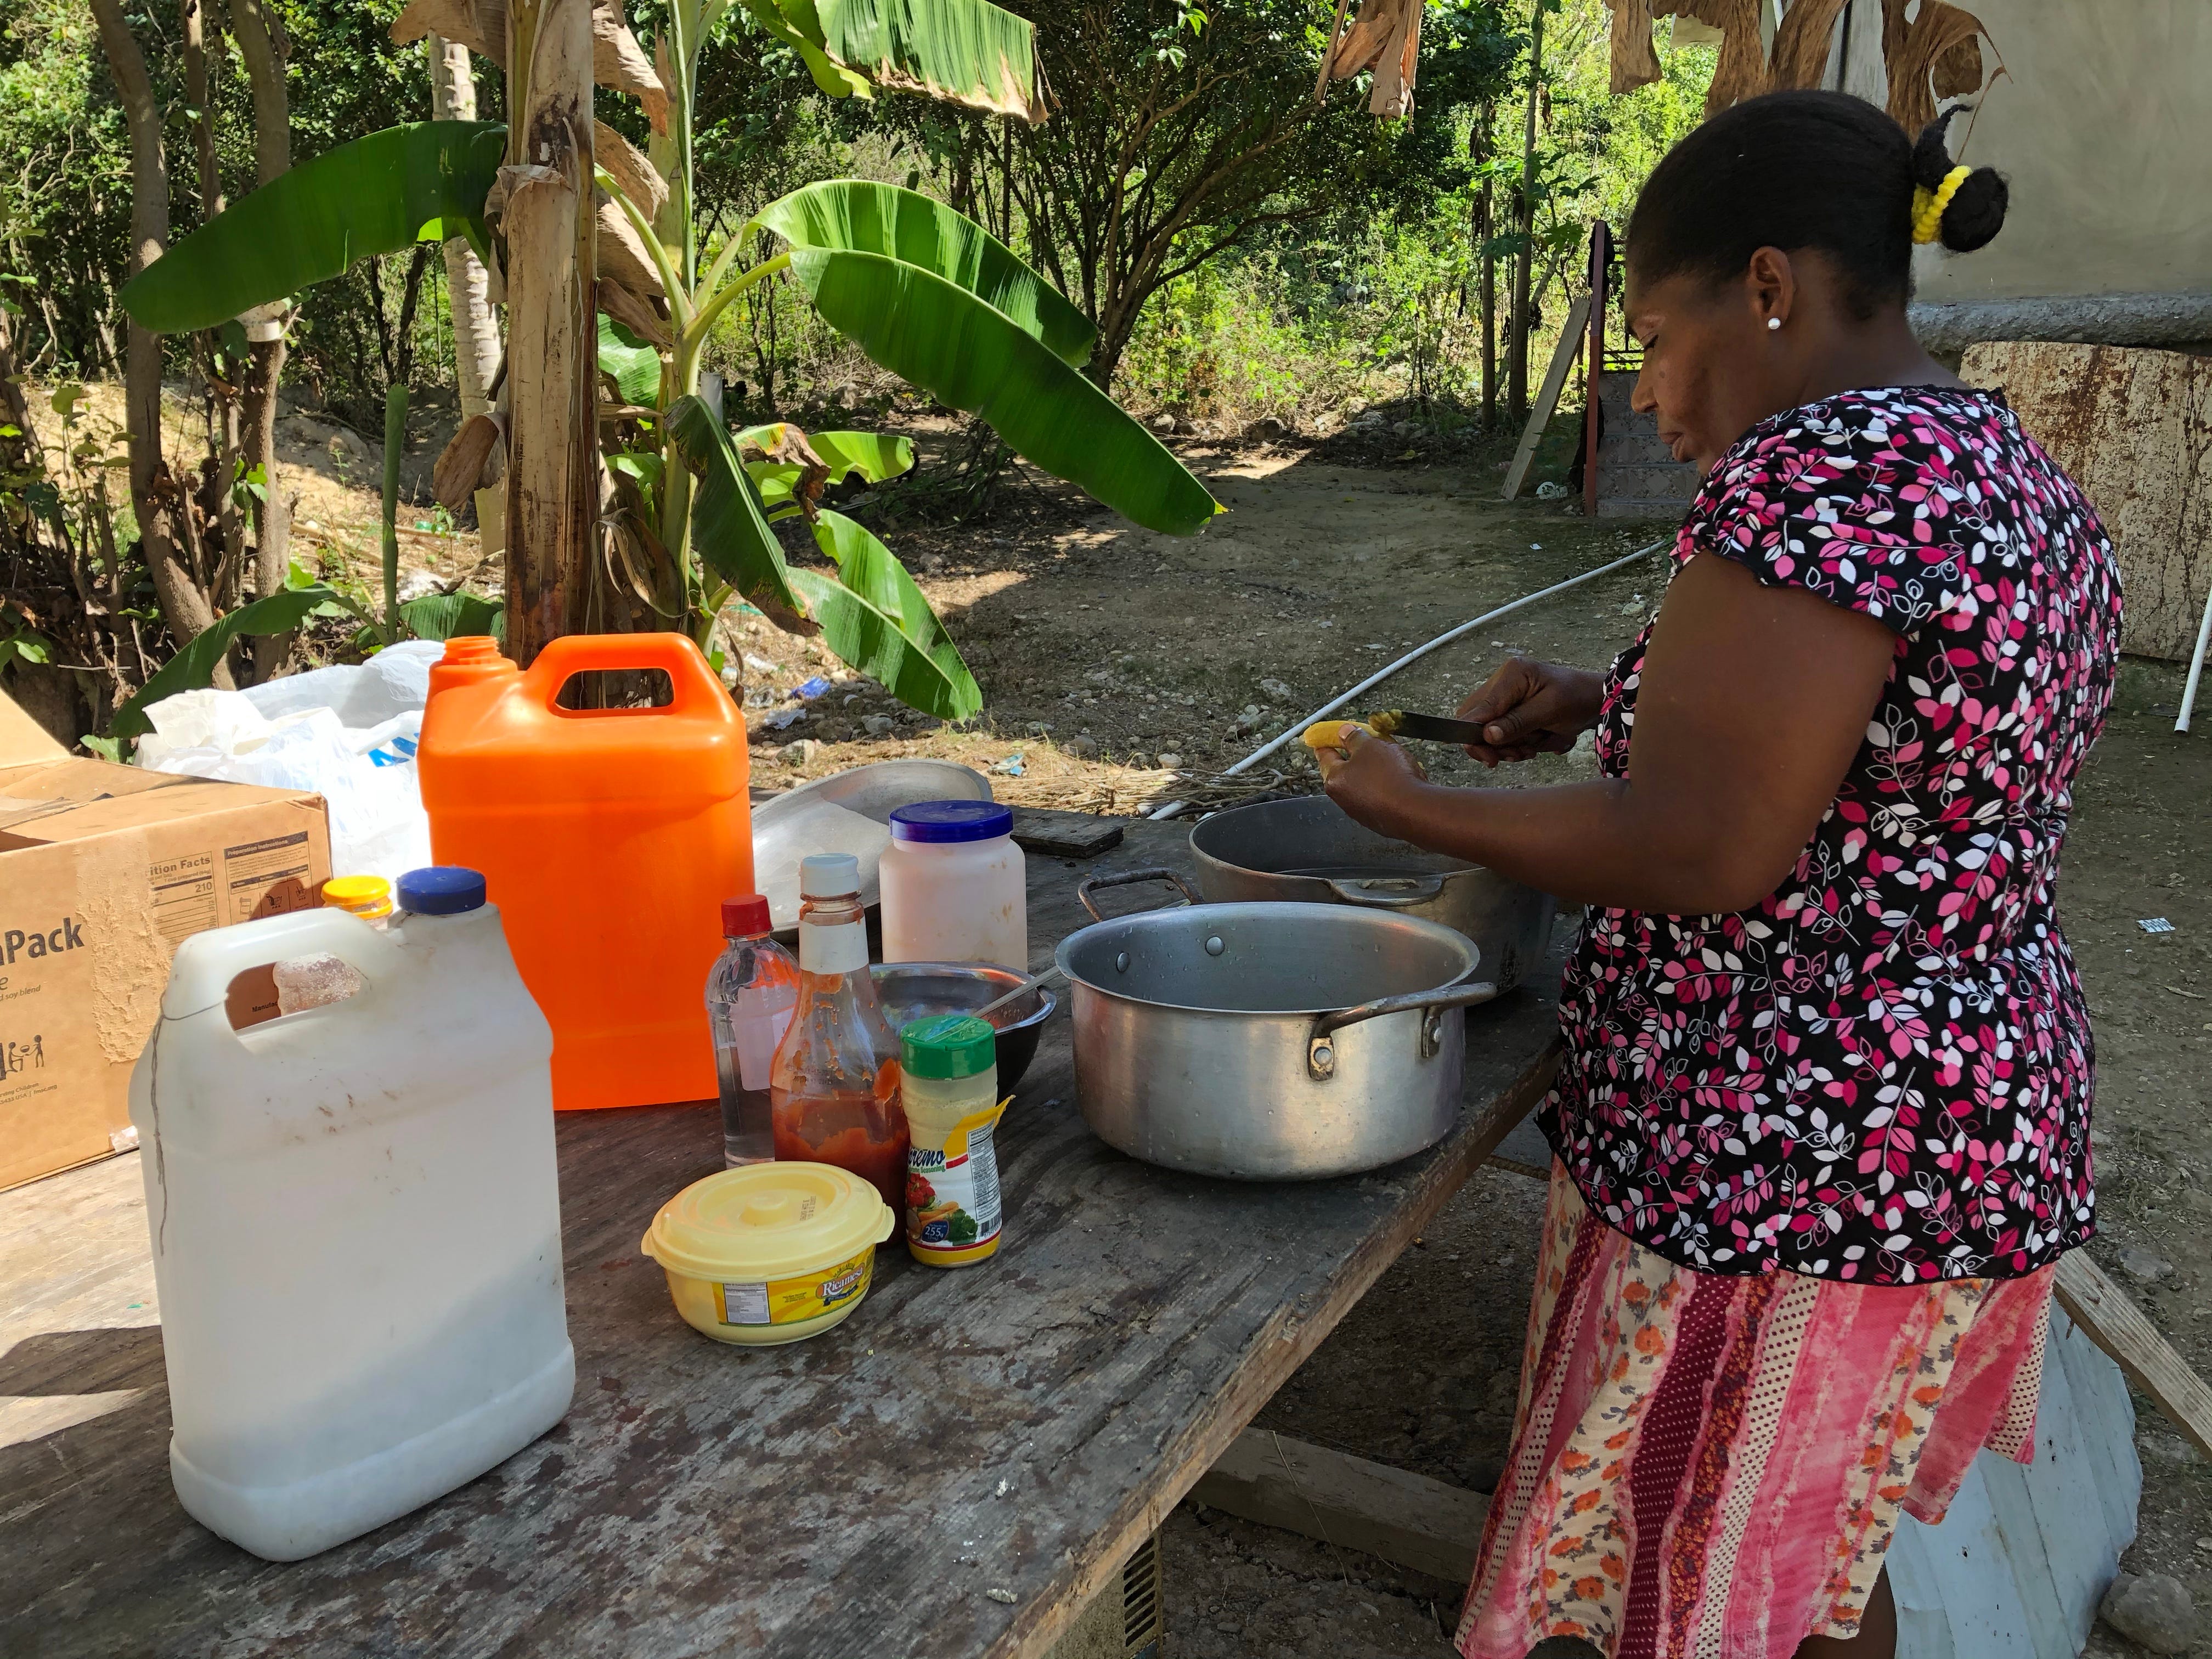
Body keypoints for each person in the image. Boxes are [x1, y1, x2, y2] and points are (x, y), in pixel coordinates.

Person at [1316, 91, 2121, 1659]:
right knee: (1792, 1564)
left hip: (1794, 1151)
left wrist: (1416, 812)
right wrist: (1600, 701)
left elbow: (1703, 845)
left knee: (1702, 1578)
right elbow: (1886, 761)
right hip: (1945, 1123)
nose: (1655, 394)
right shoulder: (1993, 459)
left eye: (1658, 335)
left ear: (1769, 287)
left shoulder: (1813, 479)